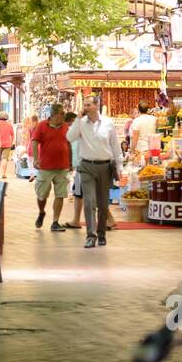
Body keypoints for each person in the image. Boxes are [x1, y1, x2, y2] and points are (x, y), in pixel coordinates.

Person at [65, 96, 122, 249]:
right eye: (85, 105)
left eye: (89, 105)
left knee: (103, 204)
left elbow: (115, 146)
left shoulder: (108, 123)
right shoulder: (81, 123)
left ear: (97, 105)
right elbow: (69, 137)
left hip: (105, 167)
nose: (86, 107)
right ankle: (91, 235)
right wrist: (77, 119)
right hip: (87, 167)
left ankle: (101, 232)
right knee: (89, 201)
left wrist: (120, 166)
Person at [29, 104, 72, 232]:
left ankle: (55, 222)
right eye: (61, 114)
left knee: (60, 194)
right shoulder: (42, 125)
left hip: (62, 166)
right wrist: (36, 159)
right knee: (42, 195)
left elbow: (68, 144)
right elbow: (35, 141)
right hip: (46, 166)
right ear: (53, 115)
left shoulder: (65, 127)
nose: (64, 116)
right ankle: (42, 212)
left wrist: (70, 162)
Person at [0, 111, 15, 179]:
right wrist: (11, 142)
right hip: (7, 144)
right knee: (4, 159)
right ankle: (3, 173)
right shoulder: (9, 124)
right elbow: (12, 134)